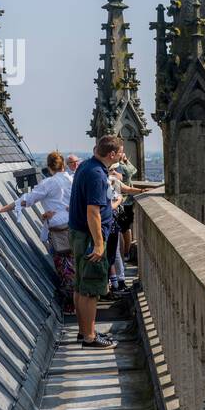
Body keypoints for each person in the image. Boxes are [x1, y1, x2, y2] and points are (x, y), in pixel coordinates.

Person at [0, 151, 75, 314]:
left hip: (59, 231)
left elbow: (26, 200)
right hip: (76, 227)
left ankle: (72, 305)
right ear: (63, 165)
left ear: (49, 167)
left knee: (66, 269)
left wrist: (2, 209)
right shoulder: (72, 179)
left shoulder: (49, 183)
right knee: (76, 265)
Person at [68, 135, 124, 348]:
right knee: (91, 288)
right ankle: (90, 337)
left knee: (81, 286)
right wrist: (99, 244)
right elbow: (93, 212)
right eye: (120, 152)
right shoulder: (96, 175)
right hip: (90, 237)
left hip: (79, 234)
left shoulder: (87, 166)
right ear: (111, 154)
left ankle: (84, 332)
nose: (121, 155)